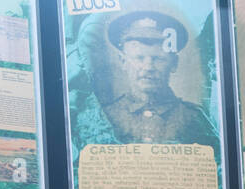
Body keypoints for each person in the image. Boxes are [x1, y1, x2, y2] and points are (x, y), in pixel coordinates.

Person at [81, 11, 218, 147]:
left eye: (158, 59)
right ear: (123, 61)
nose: (148, 67)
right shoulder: (106, 116)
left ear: (174, 63)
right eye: (139, 58)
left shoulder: (194, 120)